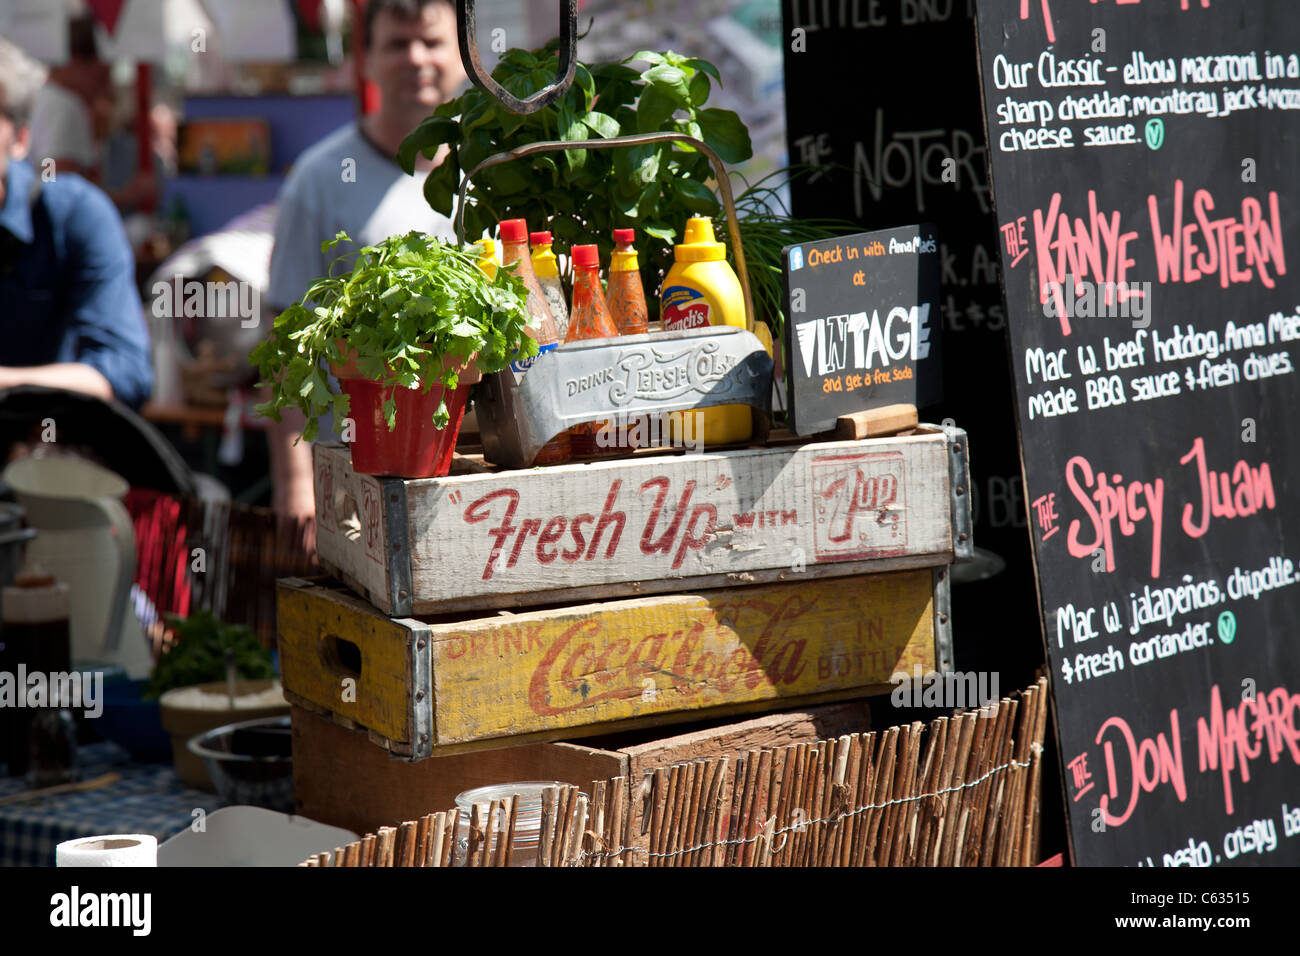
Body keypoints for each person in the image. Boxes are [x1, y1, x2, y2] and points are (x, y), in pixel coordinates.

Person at [265, 0, 466, 525]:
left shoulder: (492, 170)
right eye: (397, 44)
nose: (416, 58)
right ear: (366, 60)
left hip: (477, 473)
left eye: (433, 42)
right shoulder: (320, 179)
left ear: (465, 56)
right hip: (354, 478)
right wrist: (296, 487)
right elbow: (286, 346)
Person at [0, 35, 153, 409]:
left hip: (43, 453)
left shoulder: (73, 214)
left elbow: (126, 372)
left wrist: (10, 383)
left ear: (20, 139)